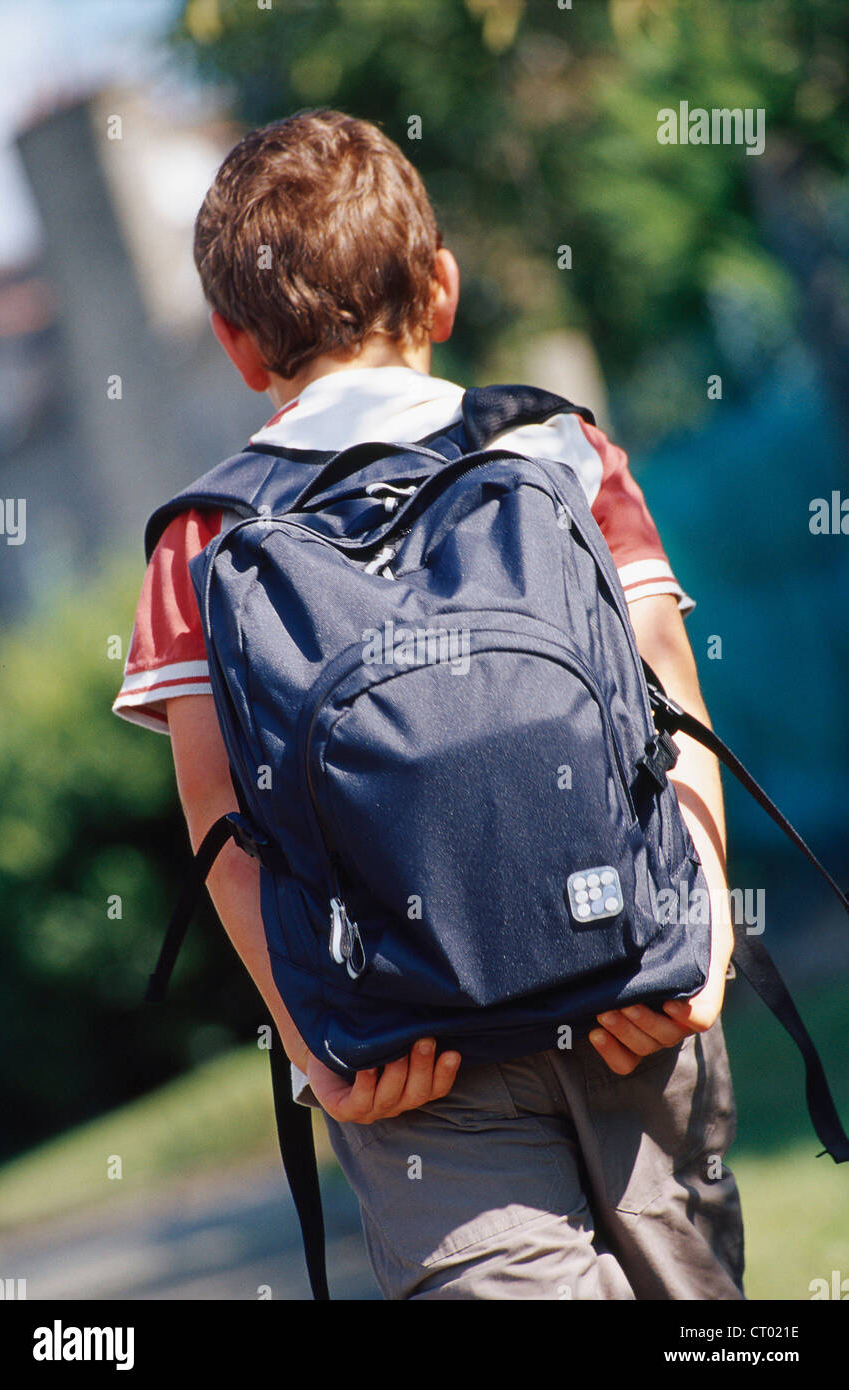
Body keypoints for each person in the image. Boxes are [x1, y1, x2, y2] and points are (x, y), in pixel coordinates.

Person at [114, 108, 744, 1300]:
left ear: (236, 345)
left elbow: (216, 821)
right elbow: (671, 692)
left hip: (409, 1051)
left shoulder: (202, 536)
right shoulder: (560, 448)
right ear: (440, 287)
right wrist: (699, 941)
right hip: (633, 994)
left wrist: (319, 1052)